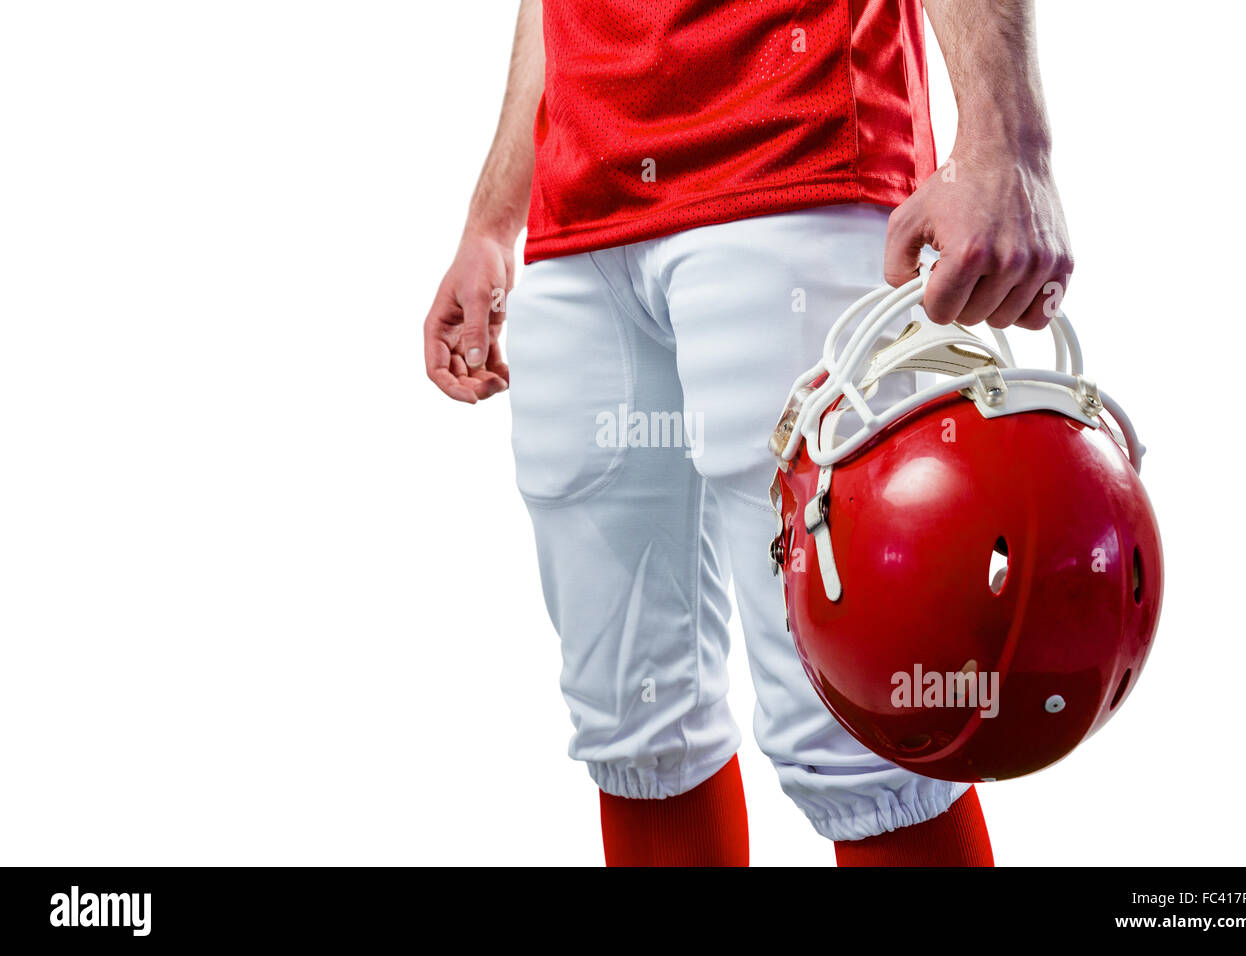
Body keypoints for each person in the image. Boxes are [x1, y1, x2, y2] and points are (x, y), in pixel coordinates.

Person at [424, 0, 1072, 867]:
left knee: (868, 720)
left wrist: (1009, 139)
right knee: (632, 729)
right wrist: (492, 223)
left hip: (796, 158)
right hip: (579, 217)